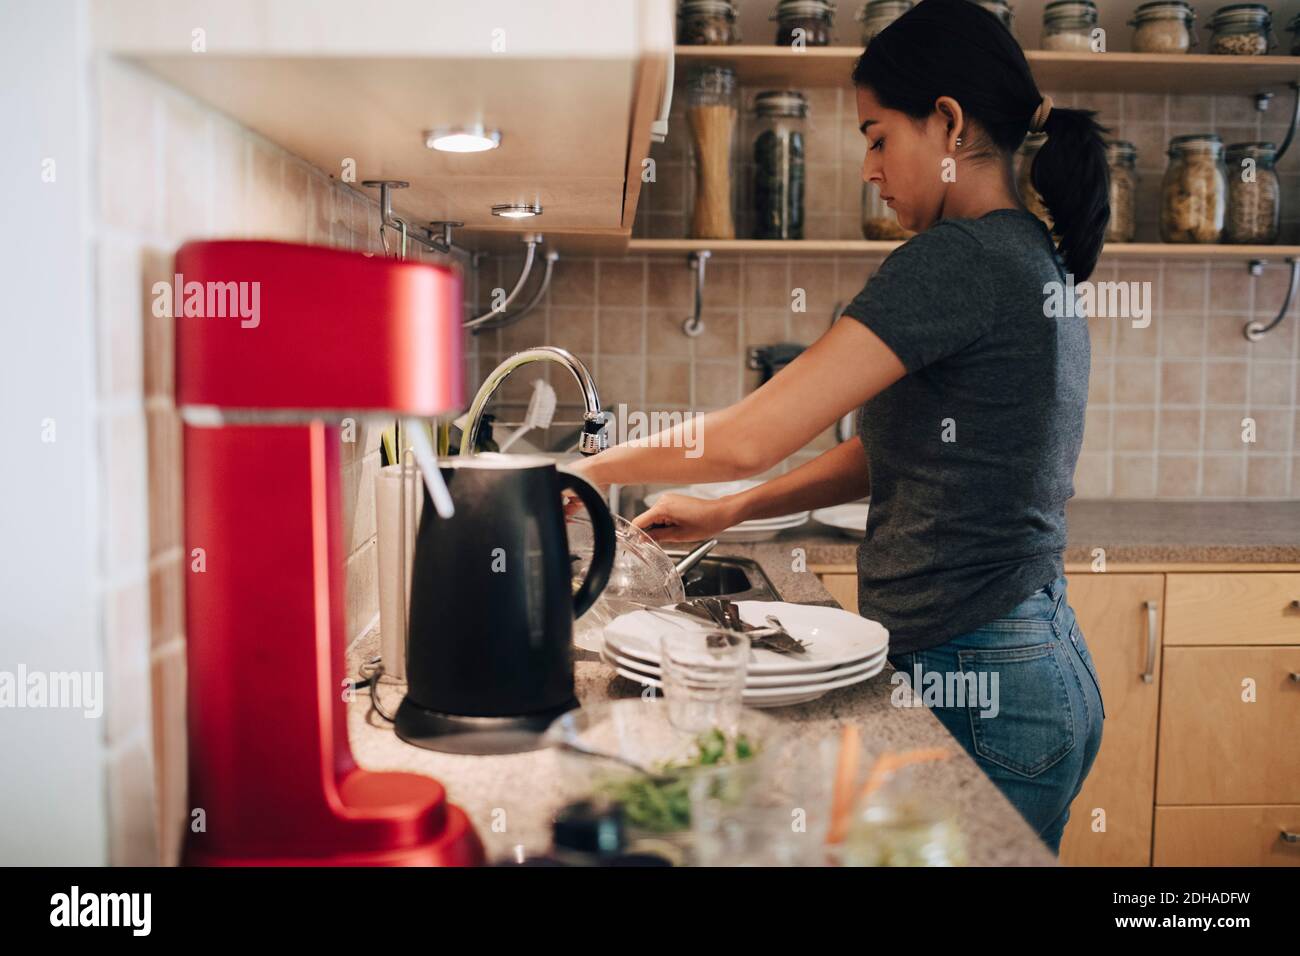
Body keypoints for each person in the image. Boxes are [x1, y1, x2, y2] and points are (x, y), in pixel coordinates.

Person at [569, 0, 1106, 854]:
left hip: (980, 671)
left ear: (950, 124)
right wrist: (731, 510)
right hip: (1032, 662)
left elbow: (752, 432)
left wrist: (591, 474)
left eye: (877, 135)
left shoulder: (958, 260)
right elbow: (892, 451)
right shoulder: (1026, 255)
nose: (869, 167)